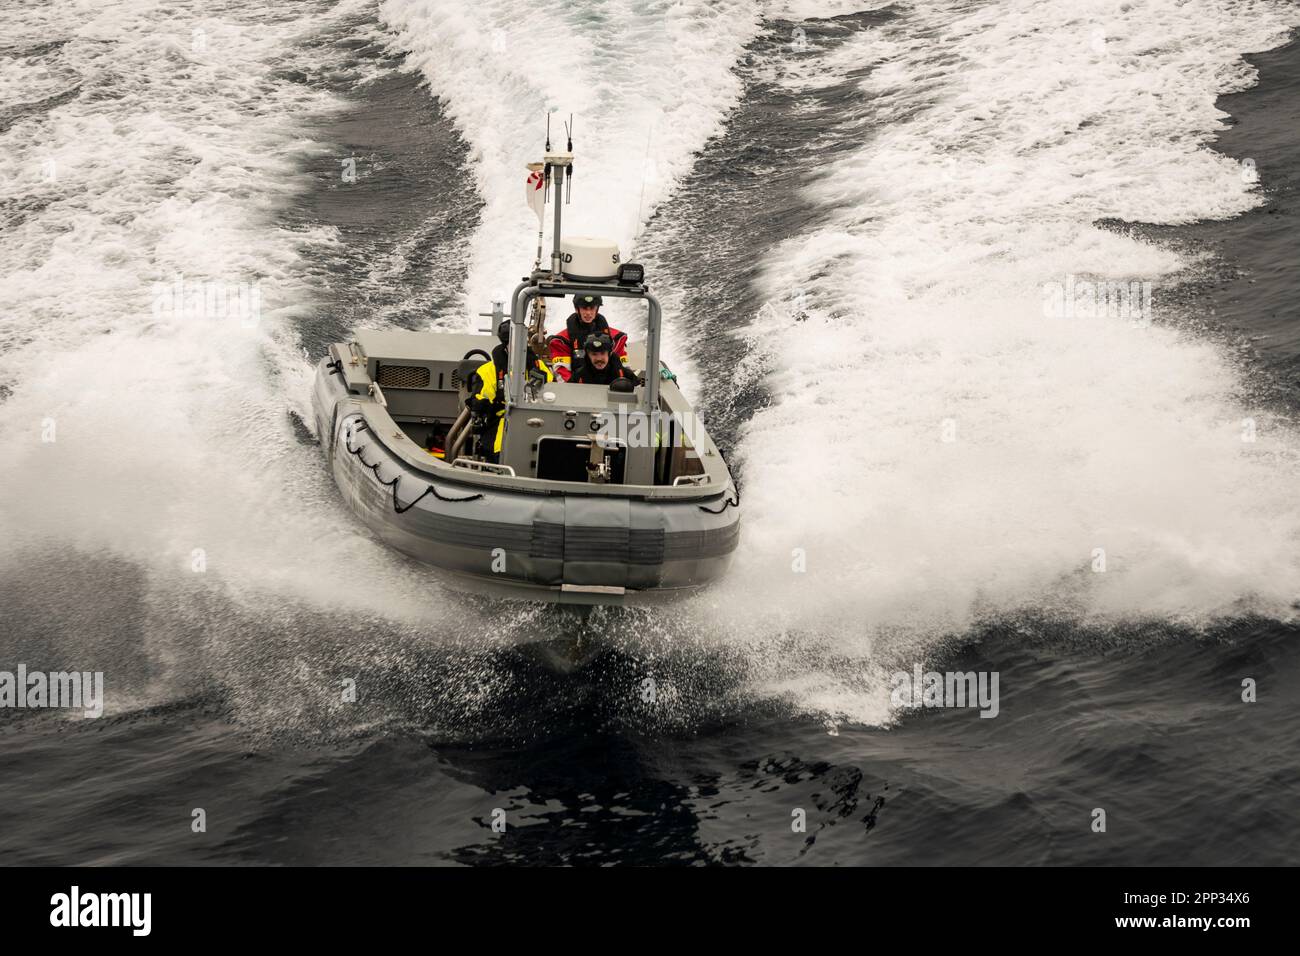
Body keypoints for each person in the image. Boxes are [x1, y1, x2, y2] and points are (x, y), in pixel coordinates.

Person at [468, 321, 553, 459]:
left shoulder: (539, 367)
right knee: (500, 455)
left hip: (538, 421)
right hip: (502, 421)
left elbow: (553, 393)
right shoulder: (488, 371)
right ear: (505, 345)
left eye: (521, 343)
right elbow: (479, 401)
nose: (517, 348)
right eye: (512, 343)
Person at [548, 293, 628, 381]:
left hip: (610, 387)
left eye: (592, 308)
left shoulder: (616, 338)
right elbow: (562, 372)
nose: (588, 313)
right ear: (576, 309)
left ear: (597, 309)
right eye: (584, 308)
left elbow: (623, 367)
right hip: (577, 388)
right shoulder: (561, 341)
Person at [572, 333, 639, 386]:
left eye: (603, 353)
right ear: (588, 355)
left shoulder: (626, 374)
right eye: (594, 354)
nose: (599, 358)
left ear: (609, 354)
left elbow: (642, 388)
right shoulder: (577, 376)